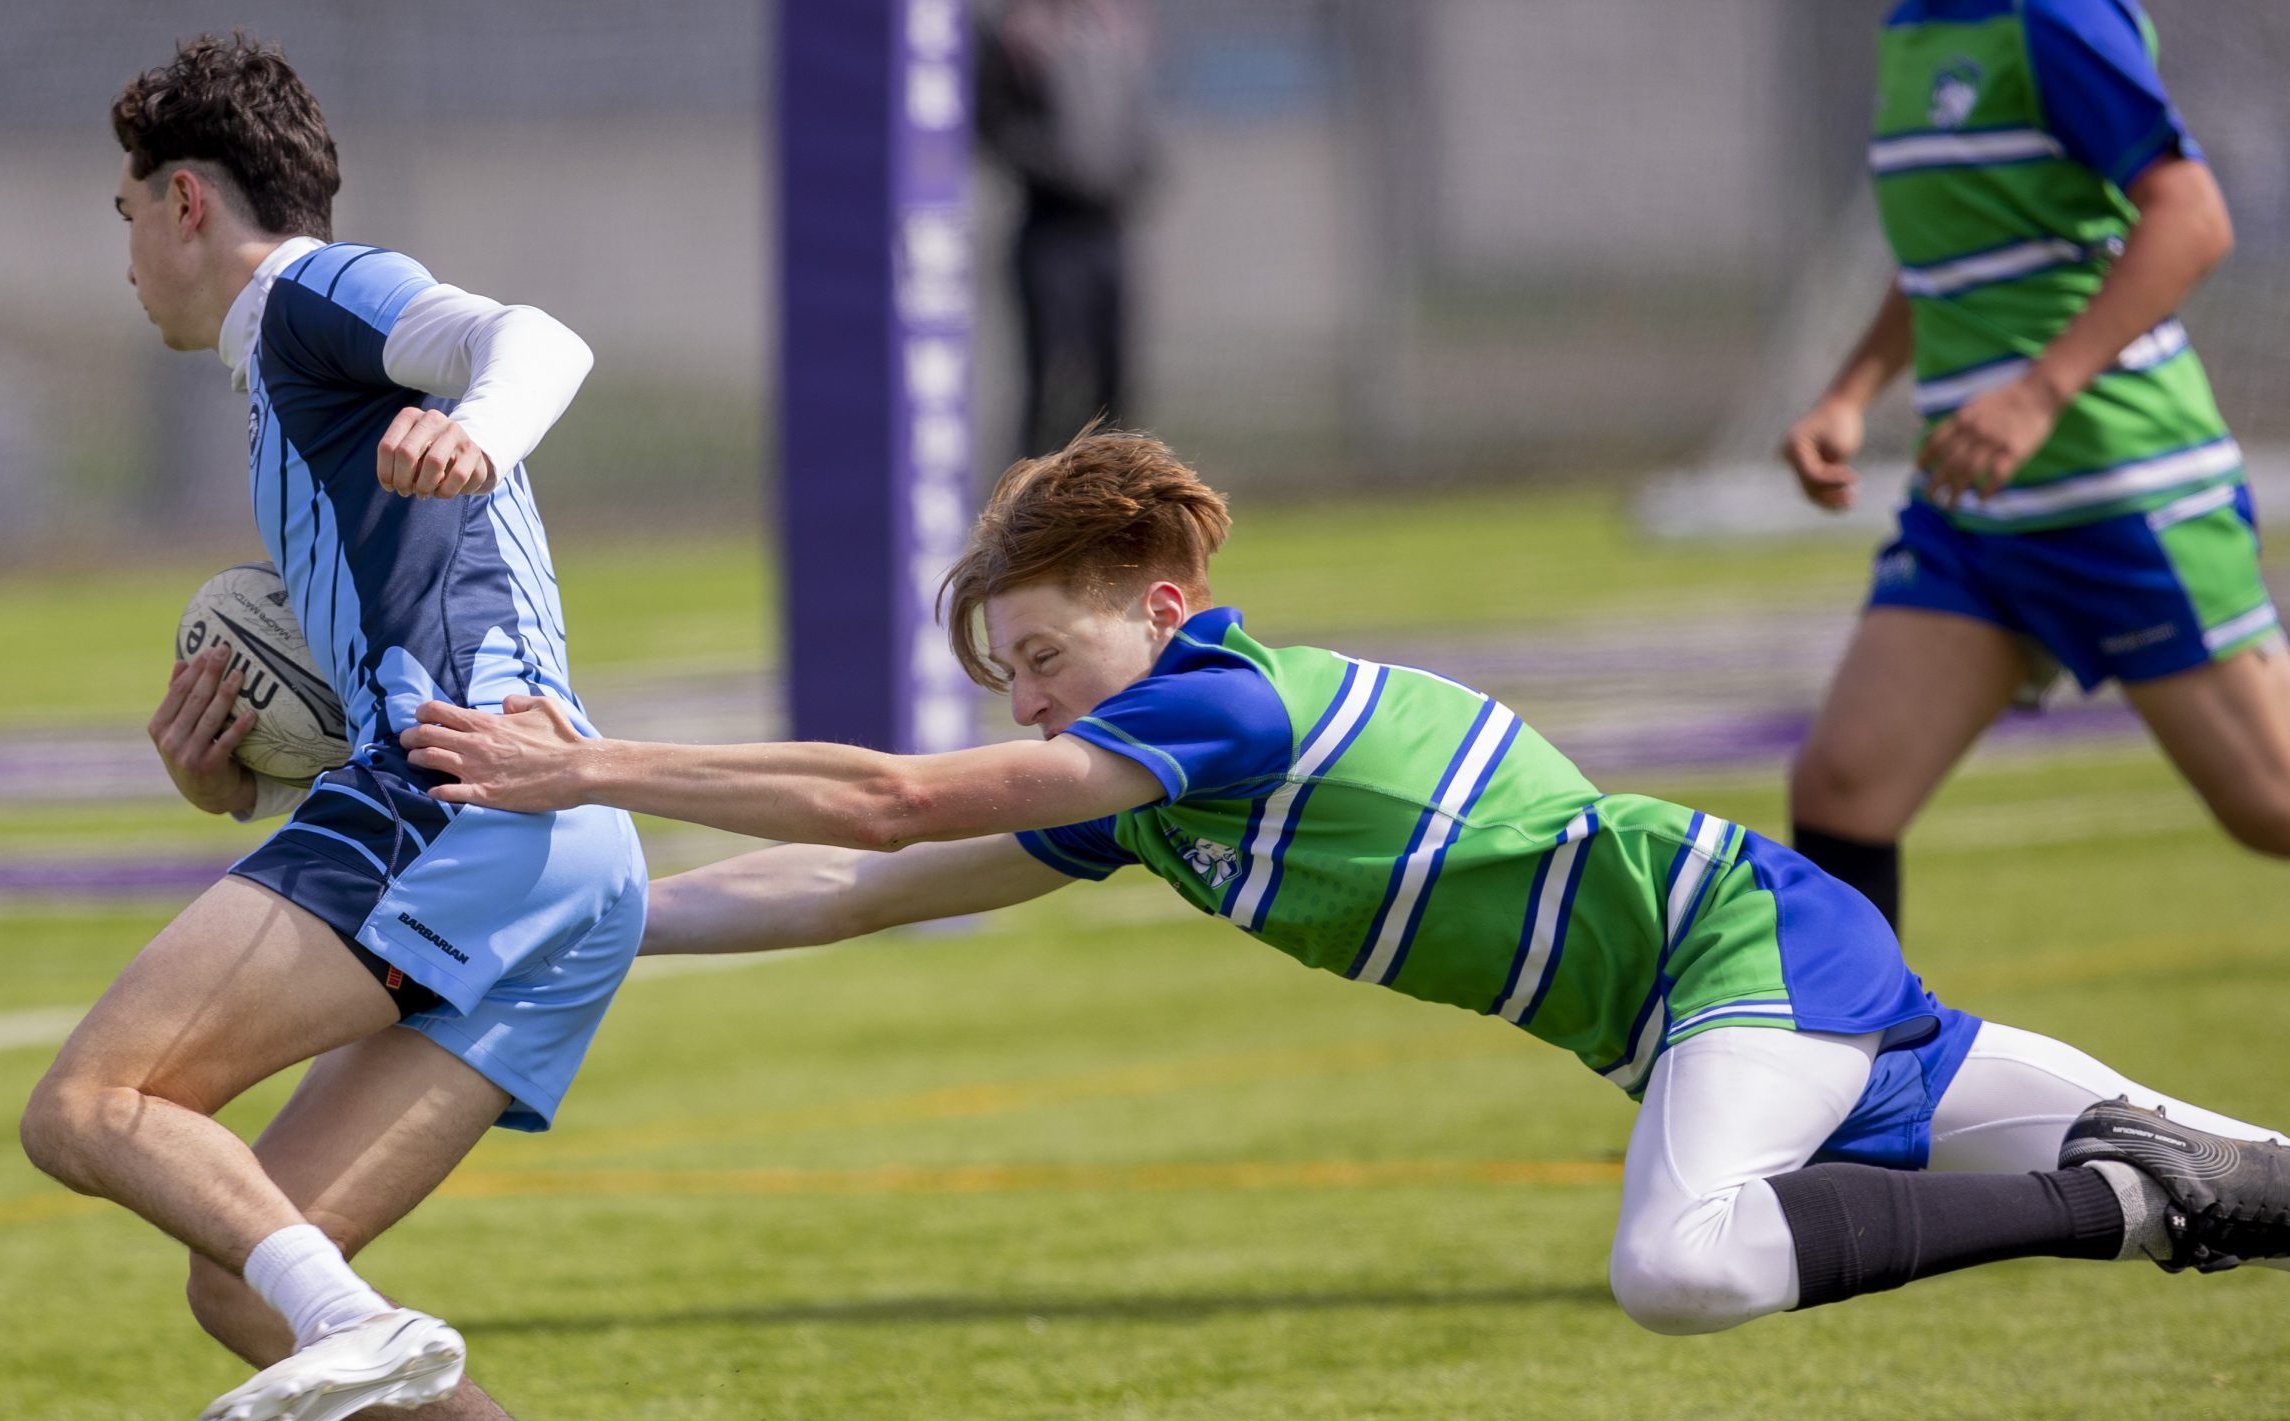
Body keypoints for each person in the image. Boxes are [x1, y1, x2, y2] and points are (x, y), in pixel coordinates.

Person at [403, 428, 2290, 1346]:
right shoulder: (1145, 792)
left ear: (1156, 605)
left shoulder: (1217, 706)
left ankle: (2109, 1214)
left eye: (1045, 656)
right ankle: (2167, 1185)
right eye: (1008, 680)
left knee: (1685, 1264)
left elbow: (894, 806)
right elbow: (838, 893)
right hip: (1718, 993)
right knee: (2266, 1178)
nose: (1028, 696)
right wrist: (584, 908)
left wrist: (589, 765)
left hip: (1740, 953)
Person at [19, 35, 655, 1421]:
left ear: (184, 200)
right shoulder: (295, 392)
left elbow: (535, 336)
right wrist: (233, 780)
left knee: (95, 1105)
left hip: (460, 801)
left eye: (119, 214)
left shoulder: (308, 295)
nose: (125, 258)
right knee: (246, 1272)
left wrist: (487, 427)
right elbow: (396, 627)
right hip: (566, 848)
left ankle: (365, 1329)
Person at [1781, 0, 2289, 934]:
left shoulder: (2051, 16)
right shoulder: (1914, 28)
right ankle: (1856, 1075)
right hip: (1973, 505)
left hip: (2120, 489)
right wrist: (1849, 394)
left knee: (2272, 806)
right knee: (1844, 784)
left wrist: (2036, 393)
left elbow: (2193, 214)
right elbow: (1945, 252)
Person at [976, 0, 1159, 458]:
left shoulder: (1112, 31)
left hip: (1107, 229)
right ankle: (1031, 508)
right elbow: (998, 127)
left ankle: (1116, 499)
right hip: (1050, 229)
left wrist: (1132, 172)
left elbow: (1136, 122)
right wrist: (1072, 175)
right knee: (1050, 373)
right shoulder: (1013, 35)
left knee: (1114, 372)